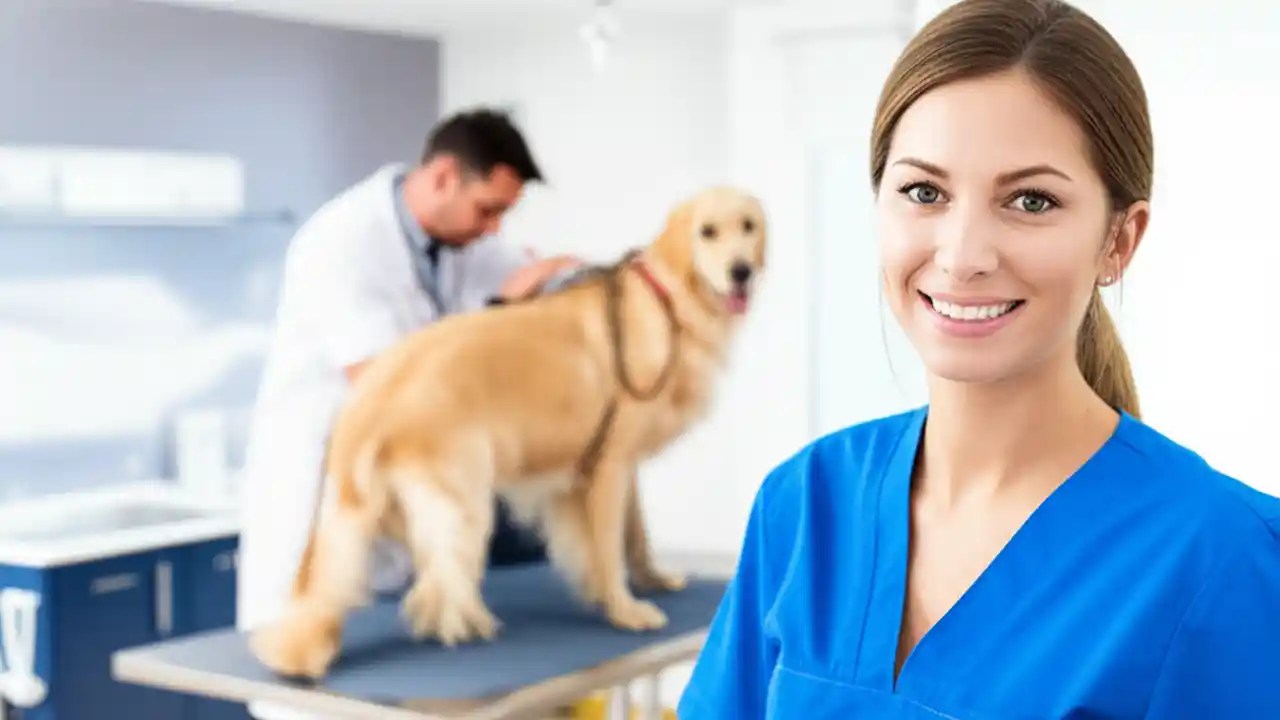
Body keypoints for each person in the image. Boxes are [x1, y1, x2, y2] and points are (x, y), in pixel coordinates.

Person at [677, 1, 1280, 717]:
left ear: (1119, 240)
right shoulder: (806, 505)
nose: (962, 256)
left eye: (1030, 200)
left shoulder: (1226, 559)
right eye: (924, 192)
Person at [236, 108, 580, 719]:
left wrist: (568, 283)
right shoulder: (340, 243)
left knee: (400, 683)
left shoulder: (462, 244)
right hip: (322, 494)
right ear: (444, 177)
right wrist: (505, 318)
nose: (493, 228)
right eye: (487, 209)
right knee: (312, 700)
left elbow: (532, 283)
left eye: (503, 213)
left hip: (398, 511)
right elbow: (389, 387)